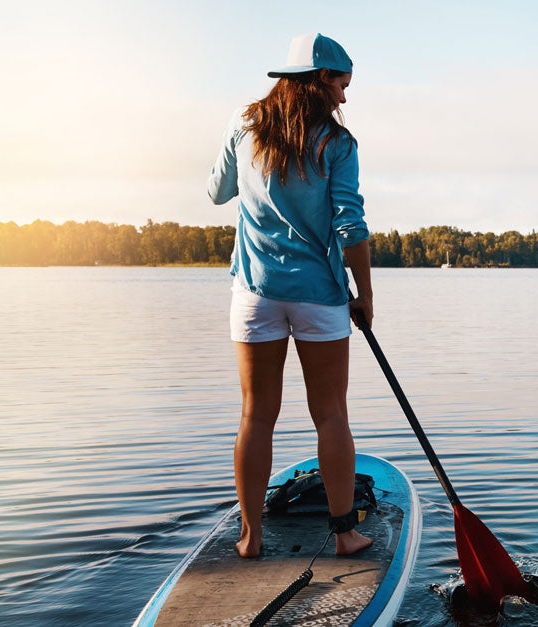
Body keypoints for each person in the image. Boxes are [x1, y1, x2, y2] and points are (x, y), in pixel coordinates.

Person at [208, 33, 373, 558]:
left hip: (255, 293)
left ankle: (250, 538)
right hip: (320, 294)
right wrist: (365, 295)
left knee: (256, 414)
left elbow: (217, 191)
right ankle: (345, 534)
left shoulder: (244, 125)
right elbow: (351, 226)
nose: (344, 97)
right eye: (341, 85)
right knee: (331, 415)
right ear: (320, 79)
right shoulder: (337, 144)